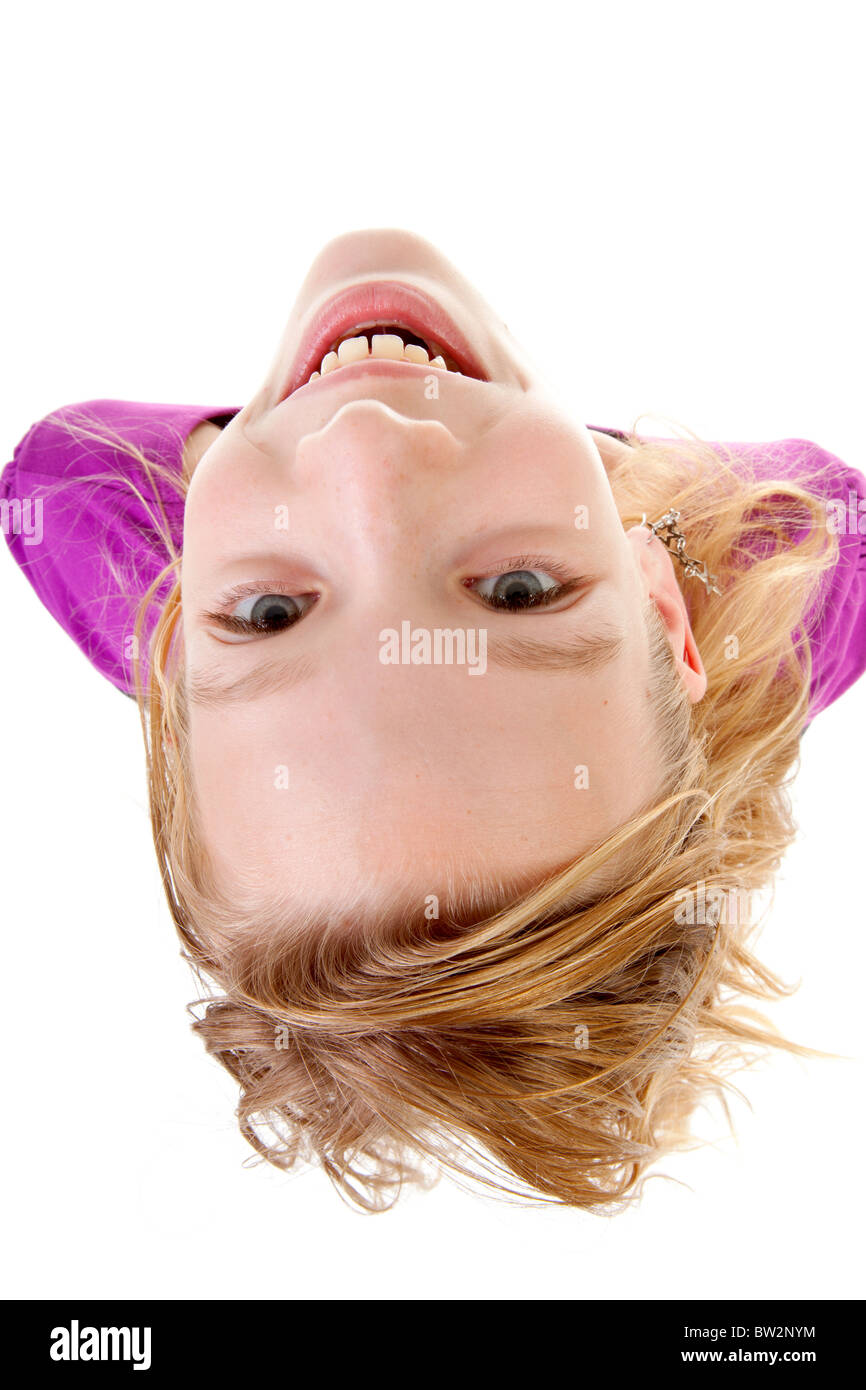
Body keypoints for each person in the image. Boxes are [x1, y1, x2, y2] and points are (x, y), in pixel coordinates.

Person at [3, 228, 864, 1212]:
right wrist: (608, 477)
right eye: (519, 590)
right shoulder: (806, 555)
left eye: (272, 614)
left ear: (171, 664)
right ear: (661, 604)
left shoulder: (84, 502)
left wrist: (245, 458)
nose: (364, 444)